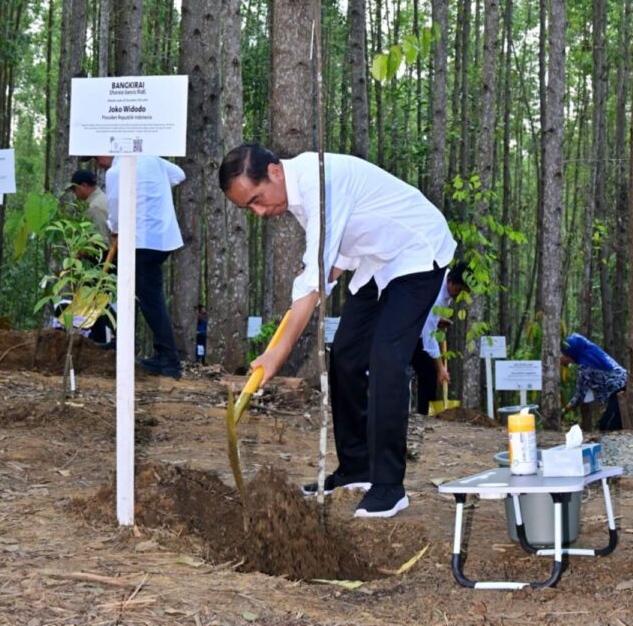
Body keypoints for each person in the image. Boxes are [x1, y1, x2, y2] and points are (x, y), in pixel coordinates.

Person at [219, 144, 456, 518]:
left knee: (386, 359)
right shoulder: (295, 192)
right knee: (346, 353)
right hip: (376, 262)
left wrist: (275, 355)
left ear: (275, 172)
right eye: (249, 208)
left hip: (416, 252)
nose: (260, 212)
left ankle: (388, 486)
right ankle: (356, 468)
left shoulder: (318, 182)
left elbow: (312, 285)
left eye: (258, 200)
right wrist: (326, 273)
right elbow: (335, 248)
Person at [96, 155, 185, 379]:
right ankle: (123, 342)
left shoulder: (115, 172)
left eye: (96, 157)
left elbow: (115, 209)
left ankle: (168, 359)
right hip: (163, 238)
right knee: (131, 291)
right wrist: (152, 187)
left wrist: (115, 228)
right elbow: (178, 175)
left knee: (150, 299)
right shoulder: (151, 159)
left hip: (141, 240)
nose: (97, 163)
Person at [411, 261, 469, 415]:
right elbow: (429, 337)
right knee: (429, 371)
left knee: (427, 372)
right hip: (408, 332)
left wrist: (437, 319)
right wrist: (441, 368)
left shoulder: (447, 279)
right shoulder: (436, 295)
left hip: (419, 325)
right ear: (449, 281)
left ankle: (424, 412)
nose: (457, 296)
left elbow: (431, 319)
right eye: (457, 290)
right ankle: (423, 415)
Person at [66, 168, 113, 346]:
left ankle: (104, 337)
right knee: (96, 298)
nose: (75, 194)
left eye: (75, 189)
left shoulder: (96, 206)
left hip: (105, 260)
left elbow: (101, 241)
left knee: (97, 298)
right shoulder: (102, 199)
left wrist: (79, 252)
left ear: (84, 186)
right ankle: (98, 336)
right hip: (105, 259)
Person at [561, 333, 628, 431]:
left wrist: (564, 411)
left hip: (619, 390)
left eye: (565, 355)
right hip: (622, 386)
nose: (563, 358)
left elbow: (580, 395)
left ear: (572, 354)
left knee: (608, 425)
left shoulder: (585, 367)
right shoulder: (593, 354)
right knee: (607, 423)